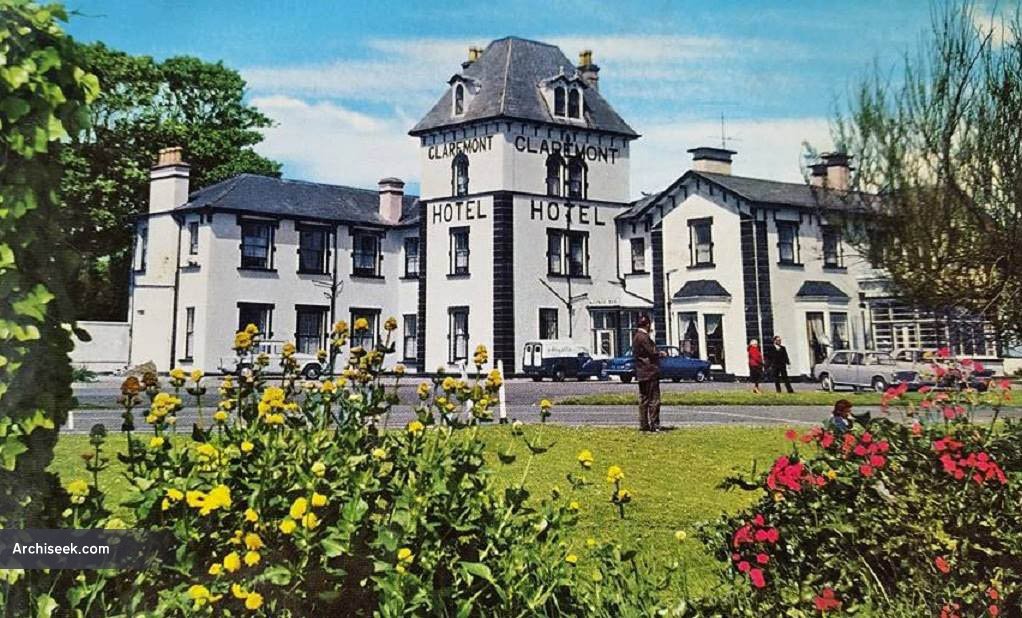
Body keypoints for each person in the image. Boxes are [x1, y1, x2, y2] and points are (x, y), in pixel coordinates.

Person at [632, 314, 662, 432]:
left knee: (643, 399)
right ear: (647, 324)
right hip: (650, 371)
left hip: (641, 372)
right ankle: (655, 425)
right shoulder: (644, 337)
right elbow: (652, 352)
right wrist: (661, 354)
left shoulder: (635, 336)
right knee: (654, 400)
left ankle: (644, 425)